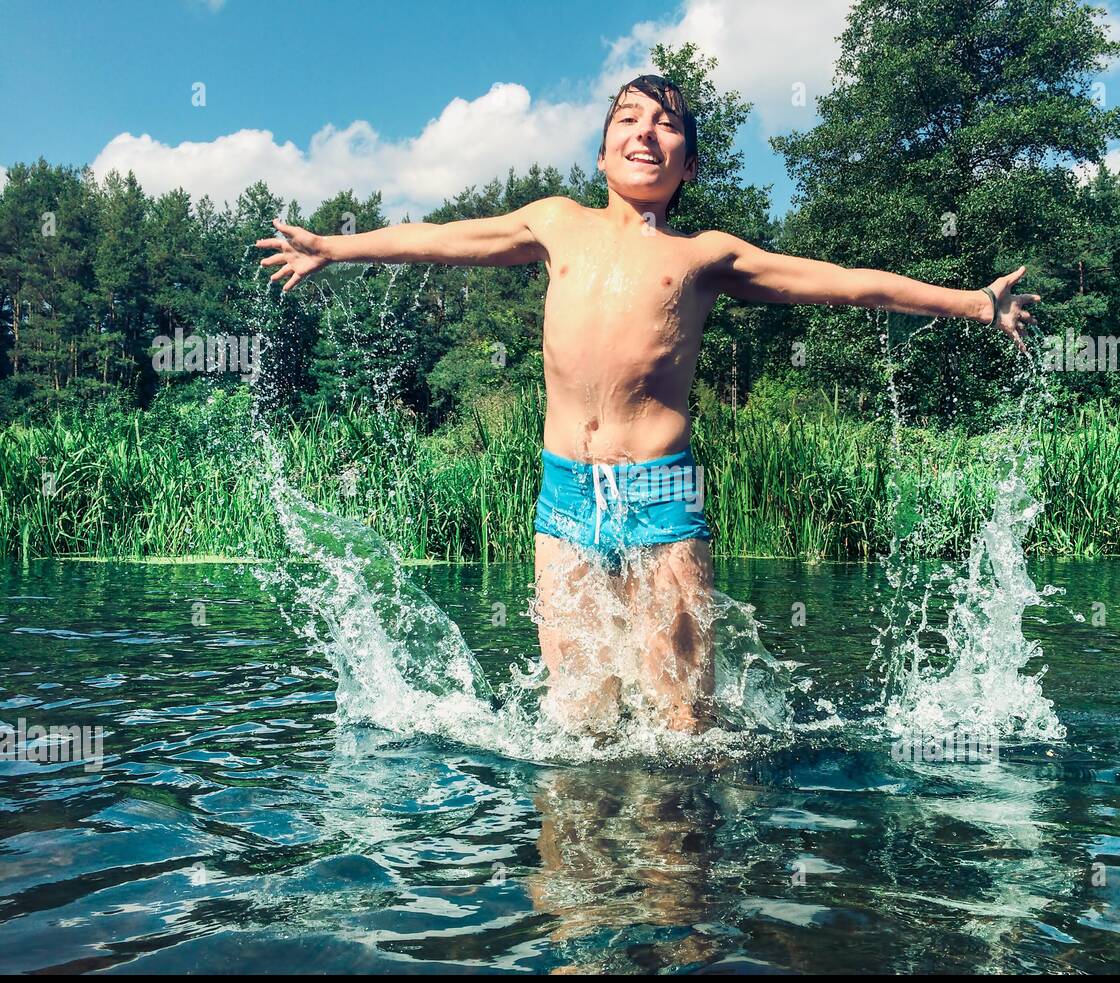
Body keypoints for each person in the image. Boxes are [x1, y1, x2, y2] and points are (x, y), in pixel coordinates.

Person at [257, 73, 1040, 737]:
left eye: (666, 125)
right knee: (577, 720)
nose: (645, 132)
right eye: (628, 119)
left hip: (661, 491)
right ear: (602, 154)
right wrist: (335, 247)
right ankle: (576, 868)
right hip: (564, 494)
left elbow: (841, 282)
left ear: (688, 164)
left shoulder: (703, 255)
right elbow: (447, 238)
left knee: (681, 720)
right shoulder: (557, 223)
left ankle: (678, 862)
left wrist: (973, 303)